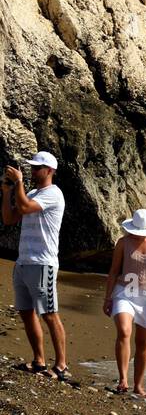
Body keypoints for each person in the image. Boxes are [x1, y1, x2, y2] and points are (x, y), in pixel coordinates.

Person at [2, 151, 70, 380]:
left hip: (43, 263)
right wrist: (6, 192)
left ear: (50, 171)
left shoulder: (54, 194)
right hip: (23, 261)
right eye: (32, 168)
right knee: (26, 312)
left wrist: (19, 183)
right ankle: (39, 360)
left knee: (49, 314)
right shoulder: (31, 193)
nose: (33, 171)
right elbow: (10, 219)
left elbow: (26, 207)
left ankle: (61, 365)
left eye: (37, 168)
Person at [103, 208, 146, 397]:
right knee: (124, 331)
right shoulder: (123, 243)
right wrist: (108, 298)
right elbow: (113, 271)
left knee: (142, 343)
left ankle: (138, 385)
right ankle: (123, 379)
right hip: (124, 292)